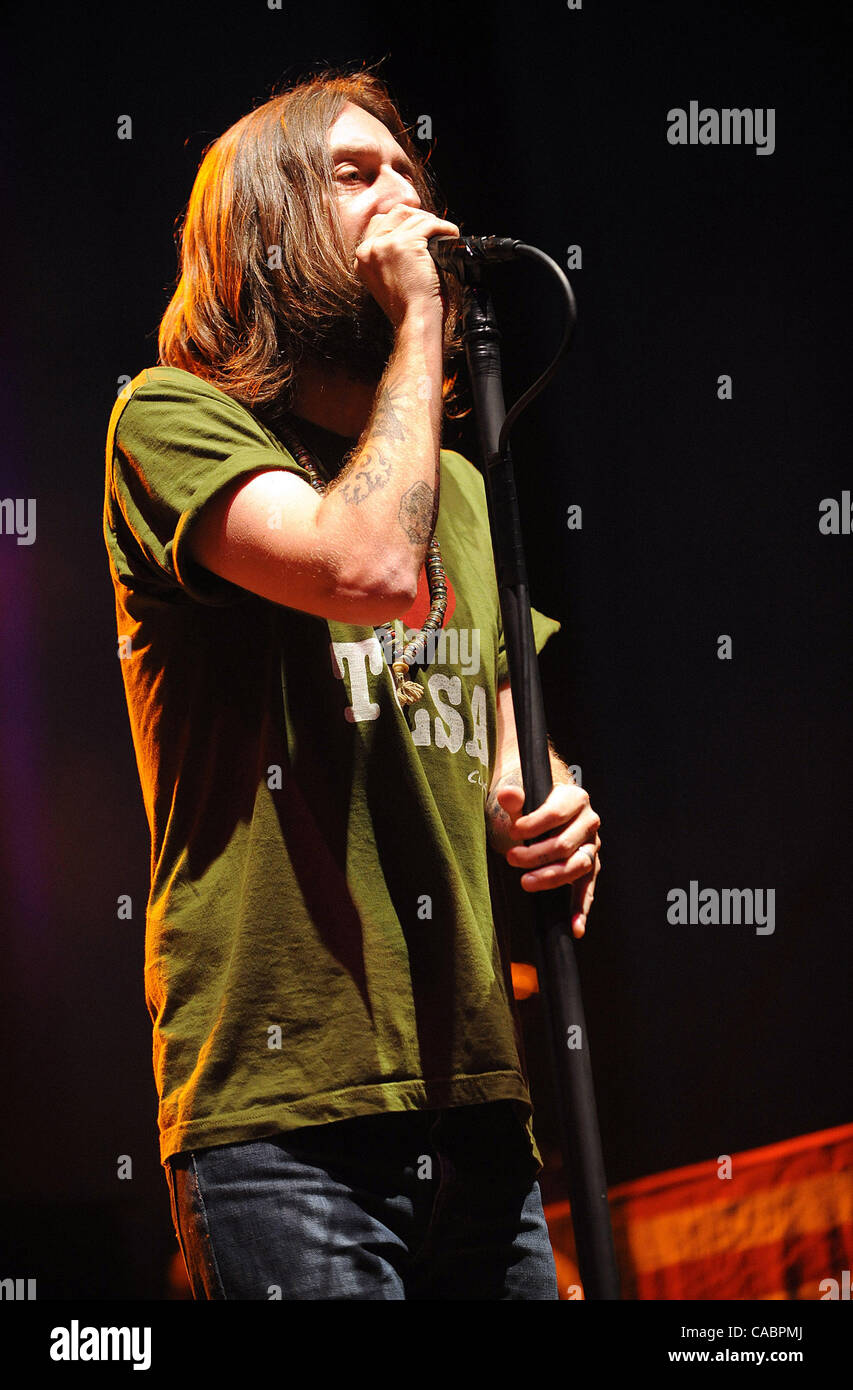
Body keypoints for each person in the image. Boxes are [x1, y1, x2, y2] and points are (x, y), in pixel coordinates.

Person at [103, 67, 601, 1301]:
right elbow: (365, 567)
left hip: (476, 1096)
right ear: (266, 227)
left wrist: (555, 809)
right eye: (354, 173)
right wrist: (424, 319)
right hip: (286, 1112)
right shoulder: (172, 423)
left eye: (409, 175)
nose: (401, 197)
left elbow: (501, 745)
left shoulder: (466, 498)